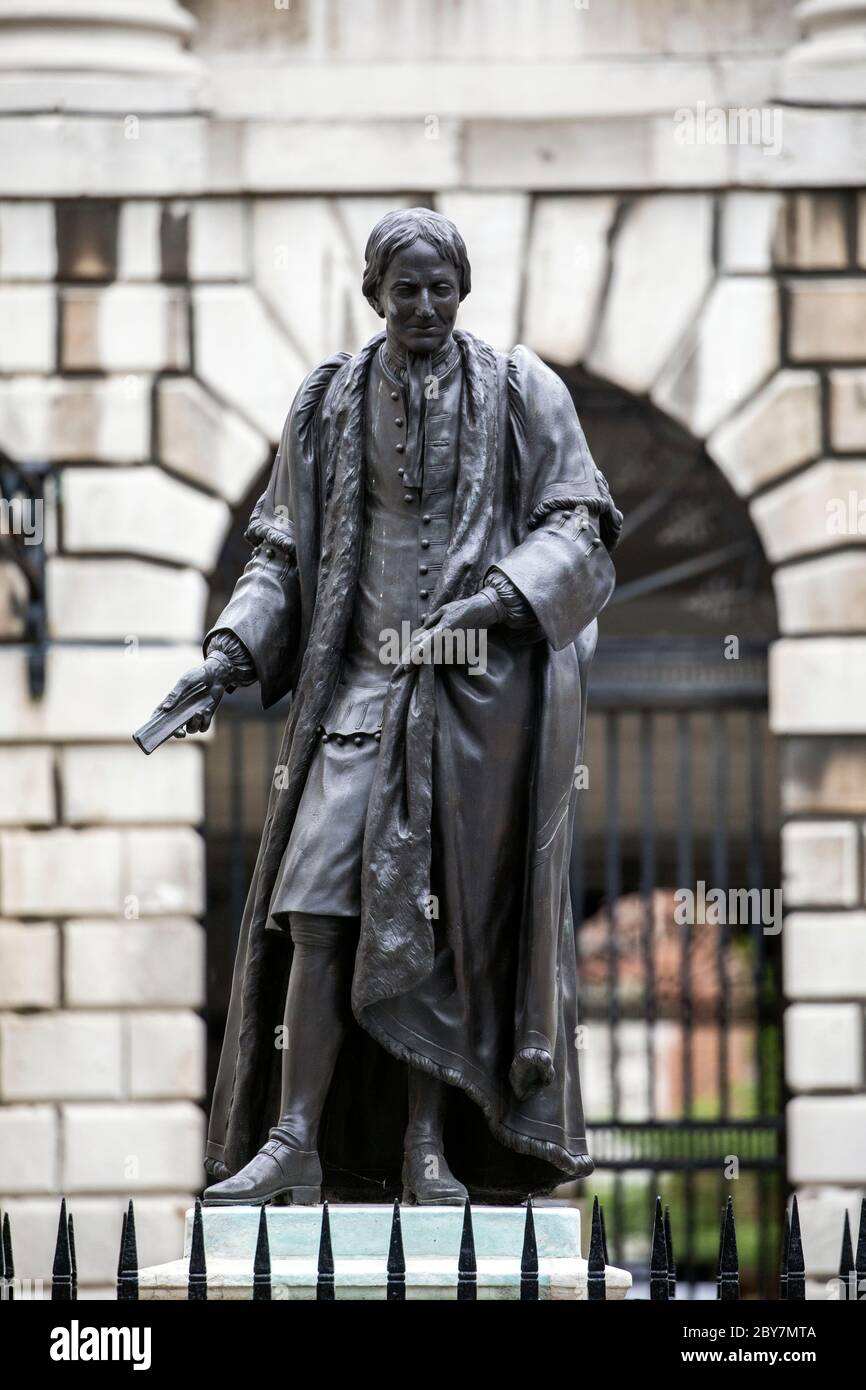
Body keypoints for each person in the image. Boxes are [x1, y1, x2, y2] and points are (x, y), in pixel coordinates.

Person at [149, 207, 622, 1206]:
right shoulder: (326, 402)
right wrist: (226, 653)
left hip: (469, 708)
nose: (423, 305)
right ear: (373, 294)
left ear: (462, 289)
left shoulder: (519, 390)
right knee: (314, 907)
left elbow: (578, 522)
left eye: (439, 287)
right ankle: (293, 1138)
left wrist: (498, 594)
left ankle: (425, 1147)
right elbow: (278, 549)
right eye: (403, 289)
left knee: (430, 925)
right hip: (357, 693)